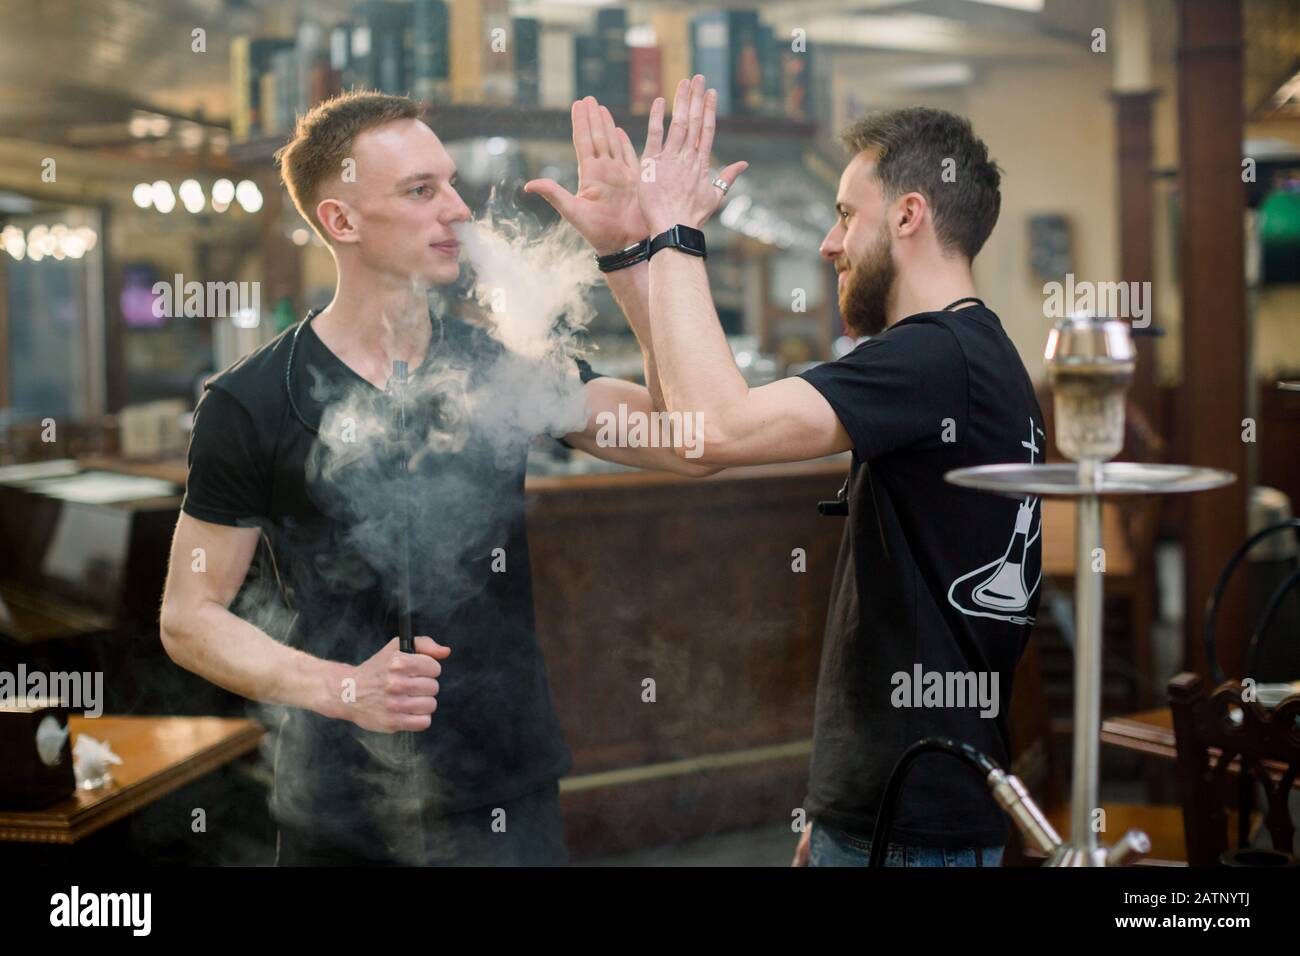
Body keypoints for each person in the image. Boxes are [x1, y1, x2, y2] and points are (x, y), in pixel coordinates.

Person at [158, 90, 715, 866]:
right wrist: (342, 688)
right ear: (341, 221)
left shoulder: (507, 368)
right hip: (339, 805)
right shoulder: (249, 402)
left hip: (503, 791)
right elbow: (189, 616)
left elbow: (688, 437)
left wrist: (630, 258)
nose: (458, 210)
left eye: (451, 183)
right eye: (421, 191)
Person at [532, 76, 1044, 867]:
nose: (829, 244)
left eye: (846, 216)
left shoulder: (935, 355)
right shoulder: (959, 356)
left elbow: (710, 435)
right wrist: (626, 255)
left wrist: (673, 233)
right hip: (889, 803)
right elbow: (688, 430)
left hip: (913, 821)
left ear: (909, 214)